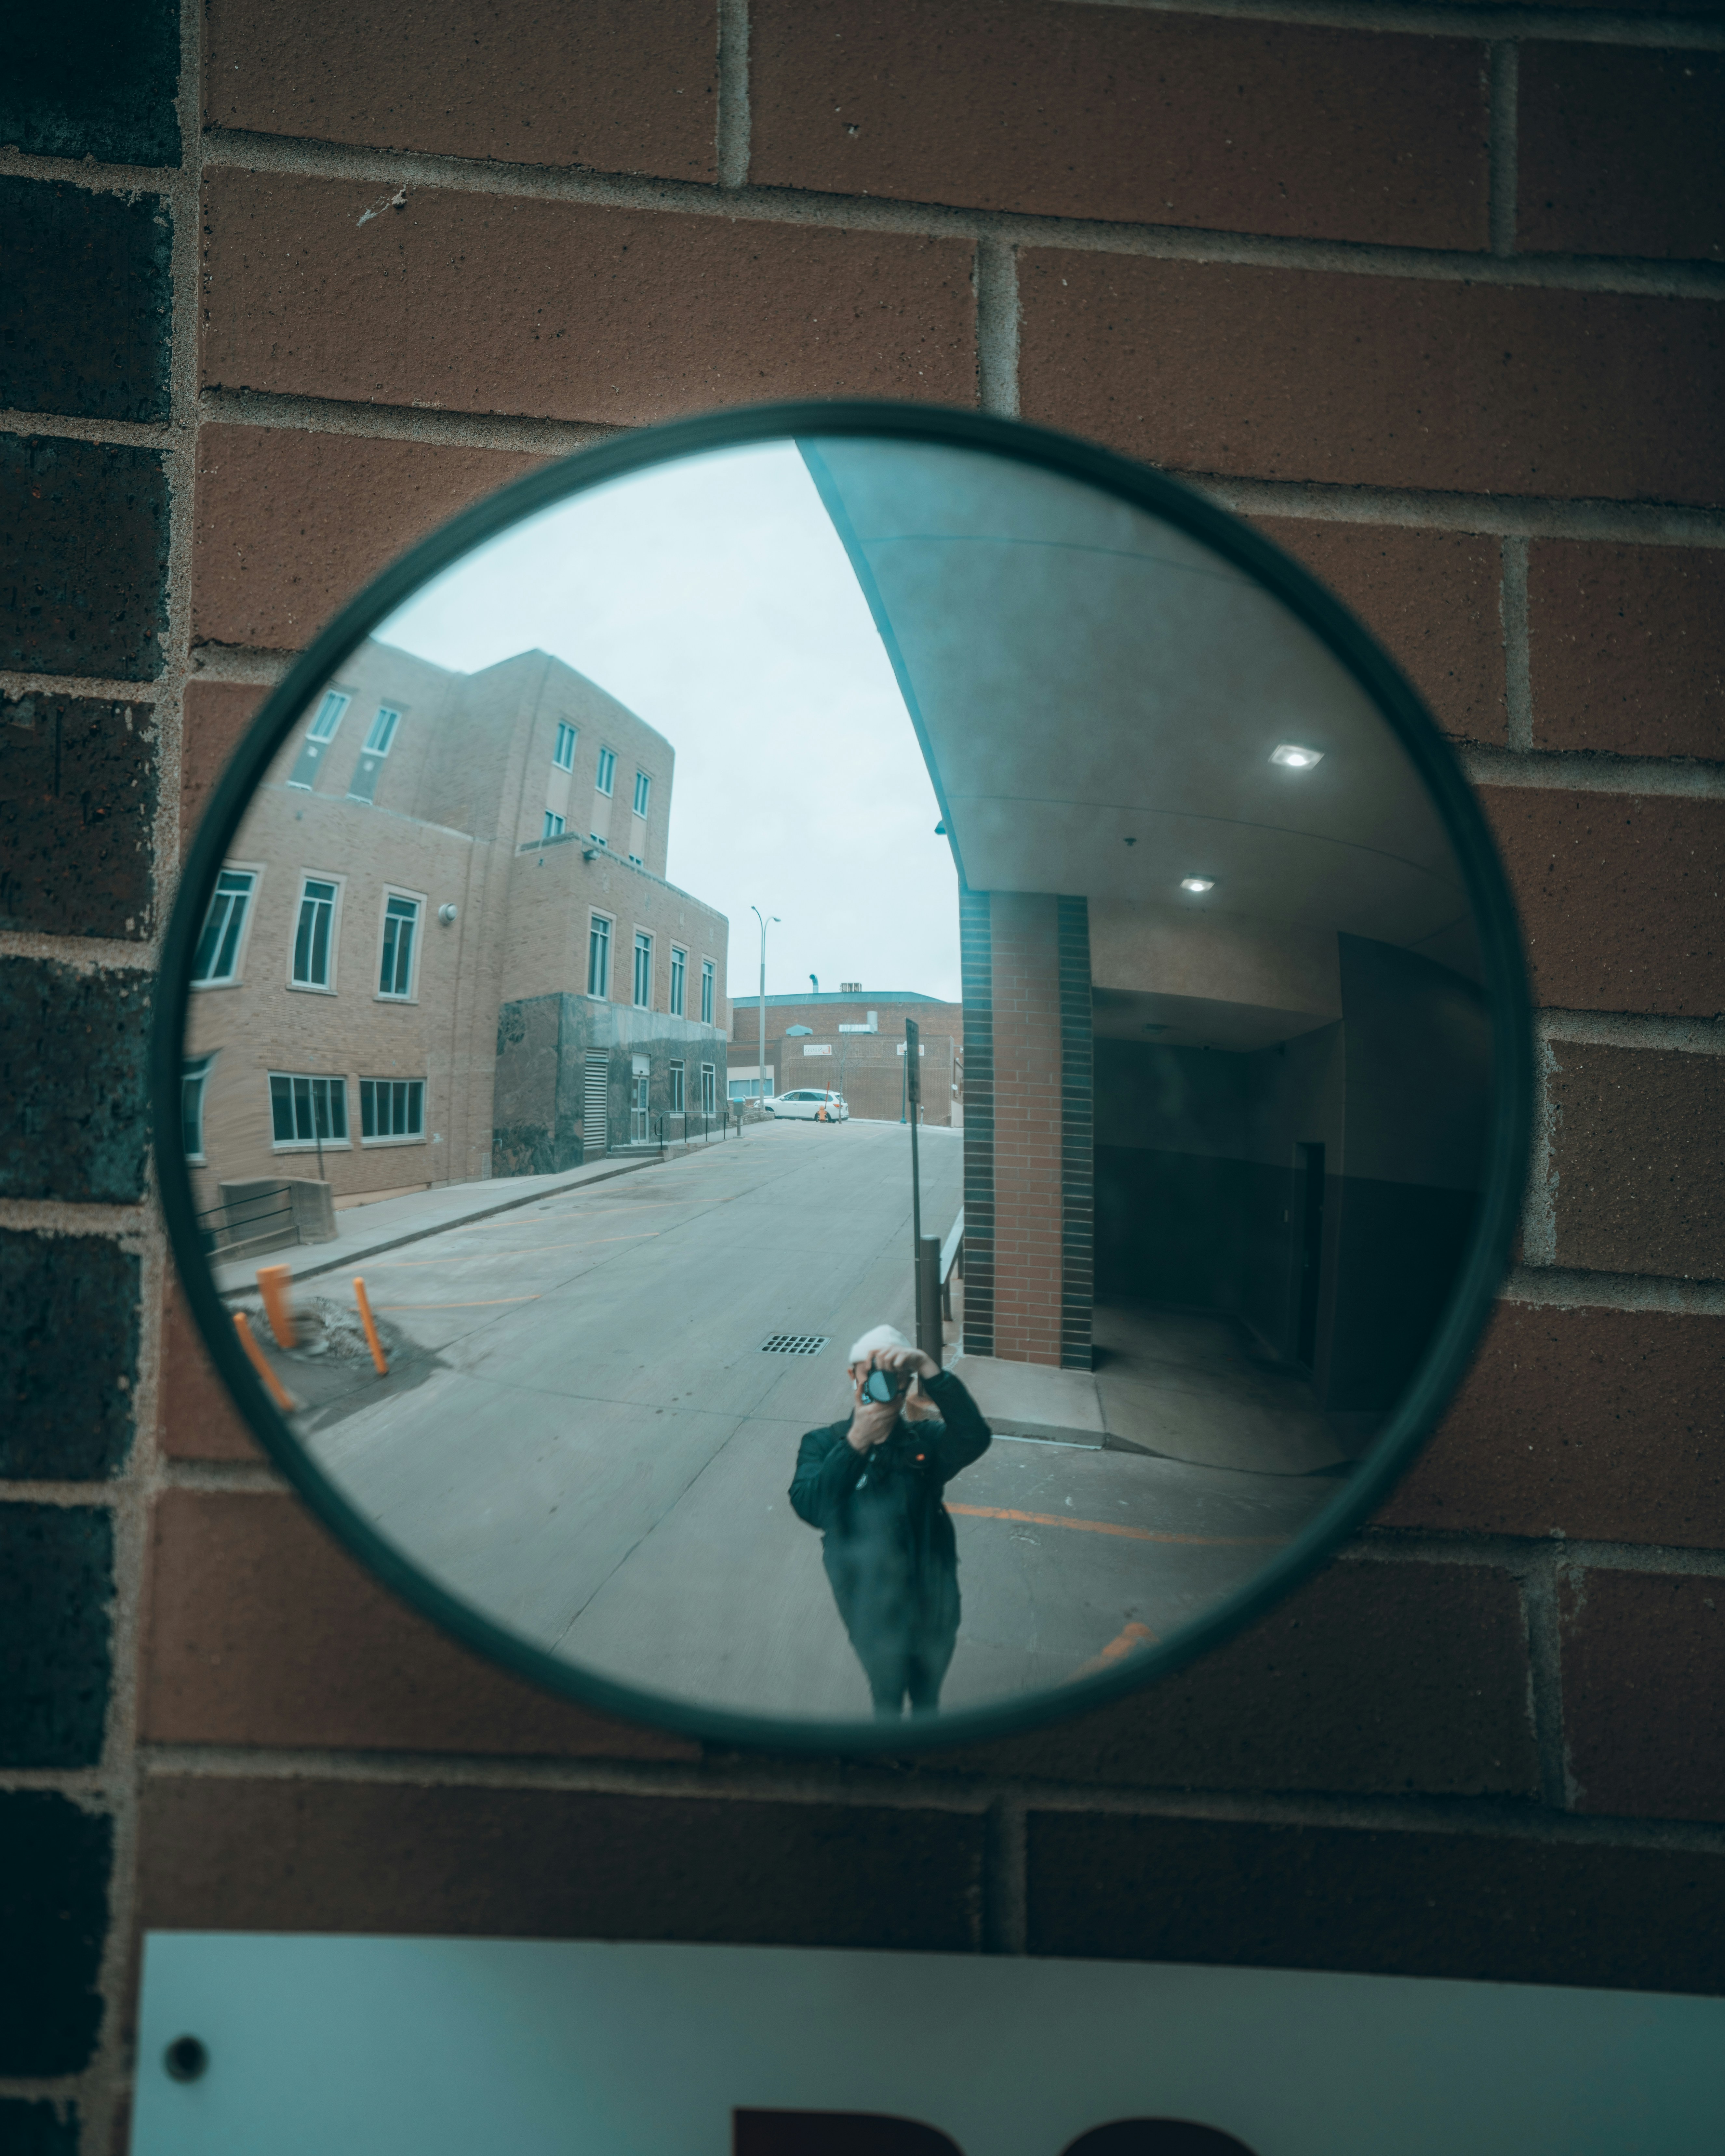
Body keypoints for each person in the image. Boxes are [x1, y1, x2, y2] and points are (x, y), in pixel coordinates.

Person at [789, 1324, 991, 1718]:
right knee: (886, 1693)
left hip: (934, 1598)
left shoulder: (923, 1441)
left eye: (897, 1381)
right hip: (868, 1605)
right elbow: (812, 1508)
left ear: (906, 1384)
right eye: (872, 1376)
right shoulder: (824, 1444)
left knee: (928, 1695)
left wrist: (932, 1370)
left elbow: (974, 1438)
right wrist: (857, 1443)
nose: (885, 1389)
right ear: (854, 1376)